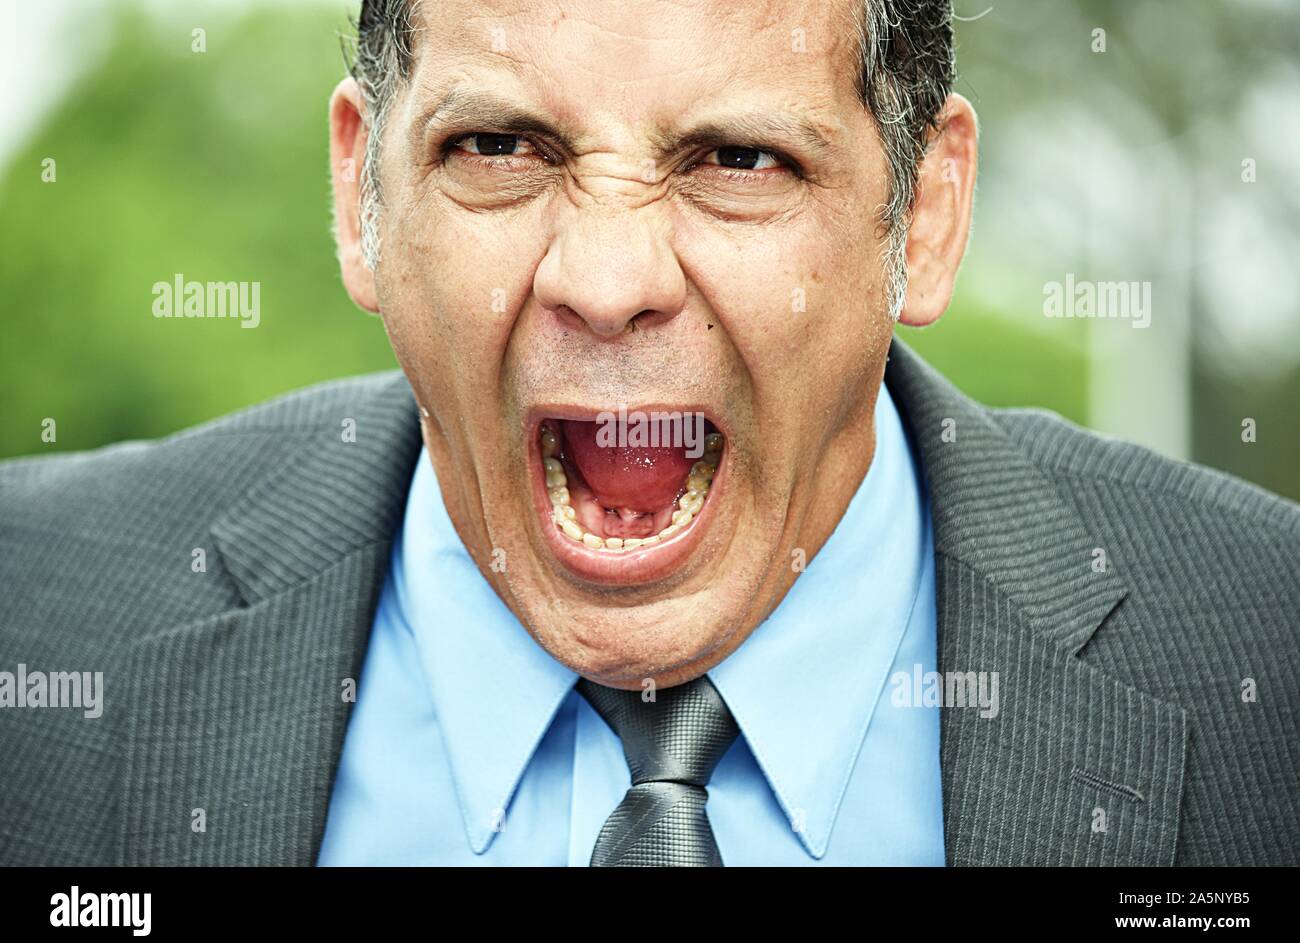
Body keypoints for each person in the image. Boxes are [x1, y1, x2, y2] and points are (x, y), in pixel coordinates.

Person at [1, 0, 1295, 866]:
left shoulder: (1266, 653)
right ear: (362, 191)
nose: (609, 281)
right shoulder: (34, 620)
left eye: (738, 162)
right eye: (500, 145)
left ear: (930, 214)